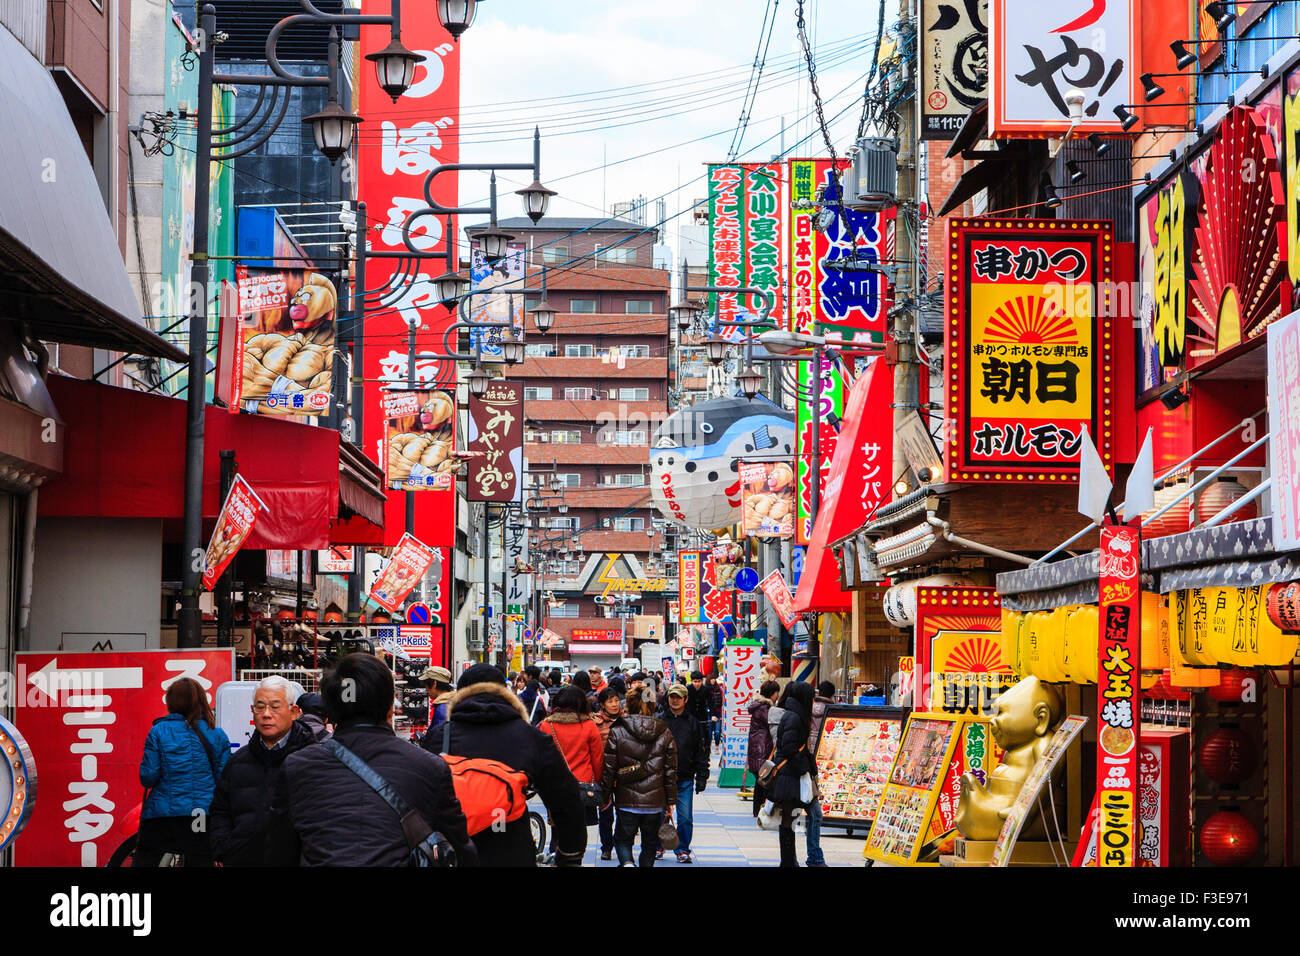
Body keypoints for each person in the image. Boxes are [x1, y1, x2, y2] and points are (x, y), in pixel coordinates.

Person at [272, 653, 474, 866]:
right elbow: (459, 849)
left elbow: (279, 850)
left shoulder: (298, 767)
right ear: (390, 709)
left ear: (330, 712)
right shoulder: (429, 767)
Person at [428, 663, 586, 867]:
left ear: (460, 695)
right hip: (511, 850)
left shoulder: (441, 737)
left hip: (454, 852)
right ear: (505, 693)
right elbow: (567, 800)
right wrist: (569, 854)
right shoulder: (531, 737)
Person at [210, 676, 318, 866]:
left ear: (294, 712)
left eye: (275, 706)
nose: (266, 714)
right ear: (252, 711)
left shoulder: (313, 760)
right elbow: (220, 811)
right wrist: (224, 848)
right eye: (260, 707)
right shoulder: (237, 762)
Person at [136, 677, 231, 867]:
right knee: (200, 861)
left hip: (163, 815)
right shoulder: (217, 734)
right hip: (201, 815)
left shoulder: (159, 732)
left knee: (146, 861)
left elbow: (148, 777)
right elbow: (224, 780)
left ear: (171, 702)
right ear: (201, 701)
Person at [602, 685, 676, 868]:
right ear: (652, 706)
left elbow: (609, 768)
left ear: (628, 705)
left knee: (622, 839)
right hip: (655, 800)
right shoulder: (664, 732)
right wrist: (670, 800)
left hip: (626, 799)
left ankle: (627, 863)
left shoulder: (617, 731)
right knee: (650, 844)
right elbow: (670, 770)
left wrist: (604, 796)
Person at [538, 685, 604, 860]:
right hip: (581, 787)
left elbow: (540, 759)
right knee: (577, 832)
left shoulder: (546, 725)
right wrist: (598, 784)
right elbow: (597, 760)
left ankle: (555, 855)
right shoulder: (589, 726)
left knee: (557, 828)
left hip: (554, 787)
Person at [655, 683, 709, 863]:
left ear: (686, 699)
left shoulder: (693, 723)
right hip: (660, 777)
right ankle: (657, 846)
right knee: (659, 816)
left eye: (679, 697)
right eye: (672, 696)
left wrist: (702, 776)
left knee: (685, 817)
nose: (675, 700)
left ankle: (683, 849)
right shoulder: (660, 720)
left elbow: (701, 752)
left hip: (685, 777)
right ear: (668, 698)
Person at [770, 681, 818, 868]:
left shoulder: (793, 714)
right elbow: (789, 747)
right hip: (789, 776)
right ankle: (789, 861)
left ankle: (789, 861)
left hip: (790, 775)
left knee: (790, 820)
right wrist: (803, 767)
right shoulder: (793, 717)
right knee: (789, 821)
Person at [802, 680, 836, 868]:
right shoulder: (832, 710)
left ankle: (812, 856)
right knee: (815, 813)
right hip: (819, 755)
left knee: (811, 813)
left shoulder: (806, 711)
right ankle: (814, 857)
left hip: (807, 758)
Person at [590, 687, 622, 859]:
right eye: (610, 701)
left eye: (616, 700)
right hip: (605, 776)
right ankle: (606, 847)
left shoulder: (626, 720)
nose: (614, 704)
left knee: (624, 814)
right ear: (602, 704)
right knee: (605, 814)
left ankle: (621, 844)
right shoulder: (595, 723)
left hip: (624, 775)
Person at [746, 680, 781, 818]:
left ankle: (758, 810)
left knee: (761, 781)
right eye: (777, 692)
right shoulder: (765, 709)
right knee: (764, 781)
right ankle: (762, 810)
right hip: (762, 748)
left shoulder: (760, 707)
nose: (778, 695)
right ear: (772, 694)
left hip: (757, 747)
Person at [421, 666, 456, 734]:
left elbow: (438, 739)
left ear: (434, 683)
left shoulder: (442, 709)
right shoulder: (454, 702)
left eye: (426, 685)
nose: (426, 689)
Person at [704, 673, 724, 750]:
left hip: (718, 712)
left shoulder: (719, 689)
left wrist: (721, 714)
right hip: (708, 713)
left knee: (717, 731)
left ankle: (716, 746)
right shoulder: (705, 689)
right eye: (711, 679)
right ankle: (708, 747)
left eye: (714, 678)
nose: (713, 680)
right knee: (709, 732)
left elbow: (722, 702)